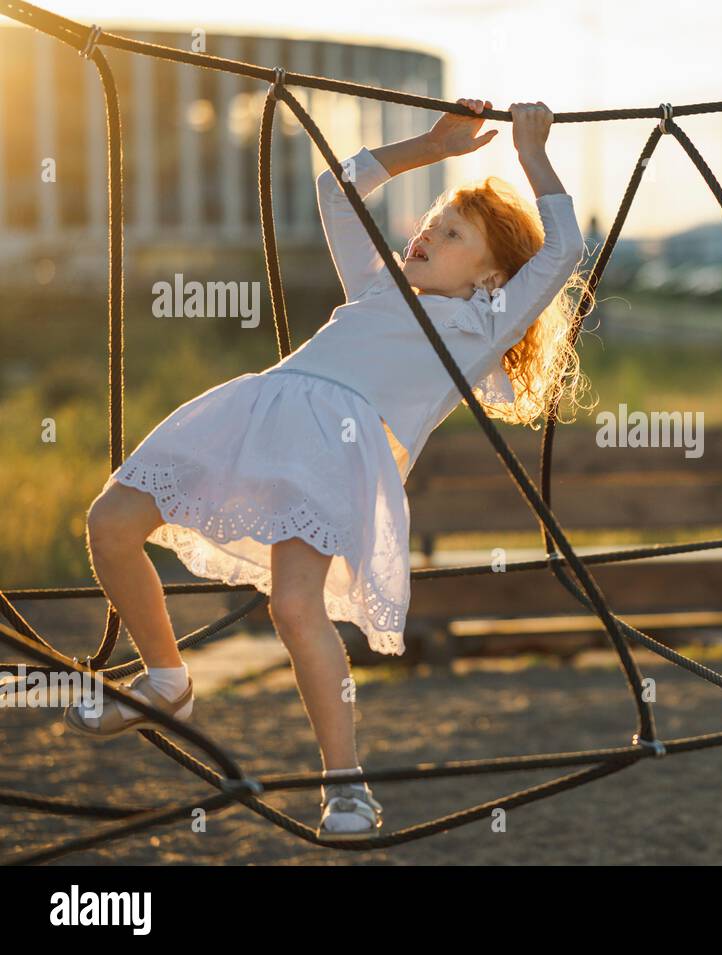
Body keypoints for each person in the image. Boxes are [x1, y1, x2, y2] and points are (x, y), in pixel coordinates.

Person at [61, 98, 590, 841]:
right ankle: (167, 678)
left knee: (294, 606)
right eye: (430, 222)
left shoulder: (477, 325)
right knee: (110, 523)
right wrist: (430, 147)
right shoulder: (380, 288)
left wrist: (532, 157)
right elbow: (335, 190)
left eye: (451, 232)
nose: (425, 233)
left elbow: (563, 250)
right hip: (254, 415)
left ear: (490, 273)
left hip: (332, 449)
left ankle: (346, 783)